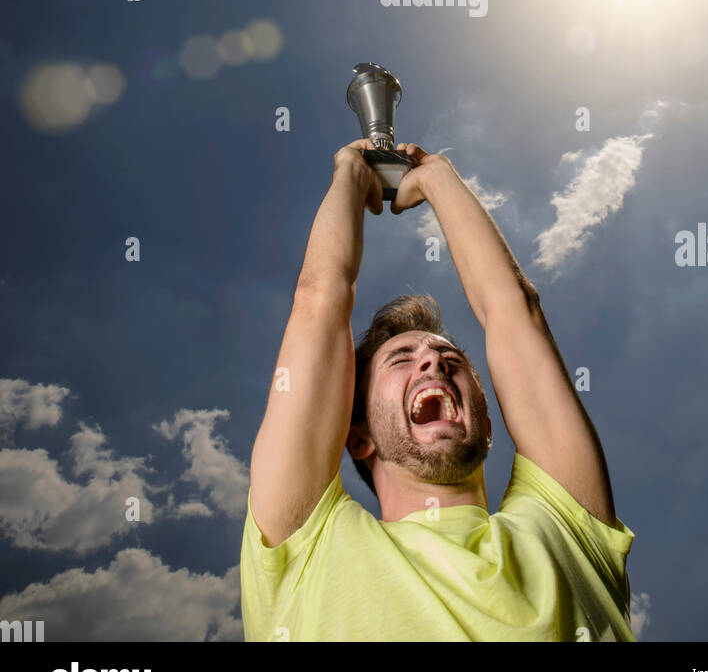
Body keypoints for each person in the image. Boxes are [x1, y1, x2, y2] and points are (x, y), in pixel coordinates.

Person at [240, 139, 636, 642]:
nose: (434, 361)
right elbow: (318, 301)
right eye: (401, 360)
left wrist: (437, 176)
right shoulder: (305, 549)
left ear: (488, 425)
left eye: (453, 360)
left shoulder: (565, 530)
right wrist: (347, 172)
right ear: (357, 437)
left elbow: (515, 310)